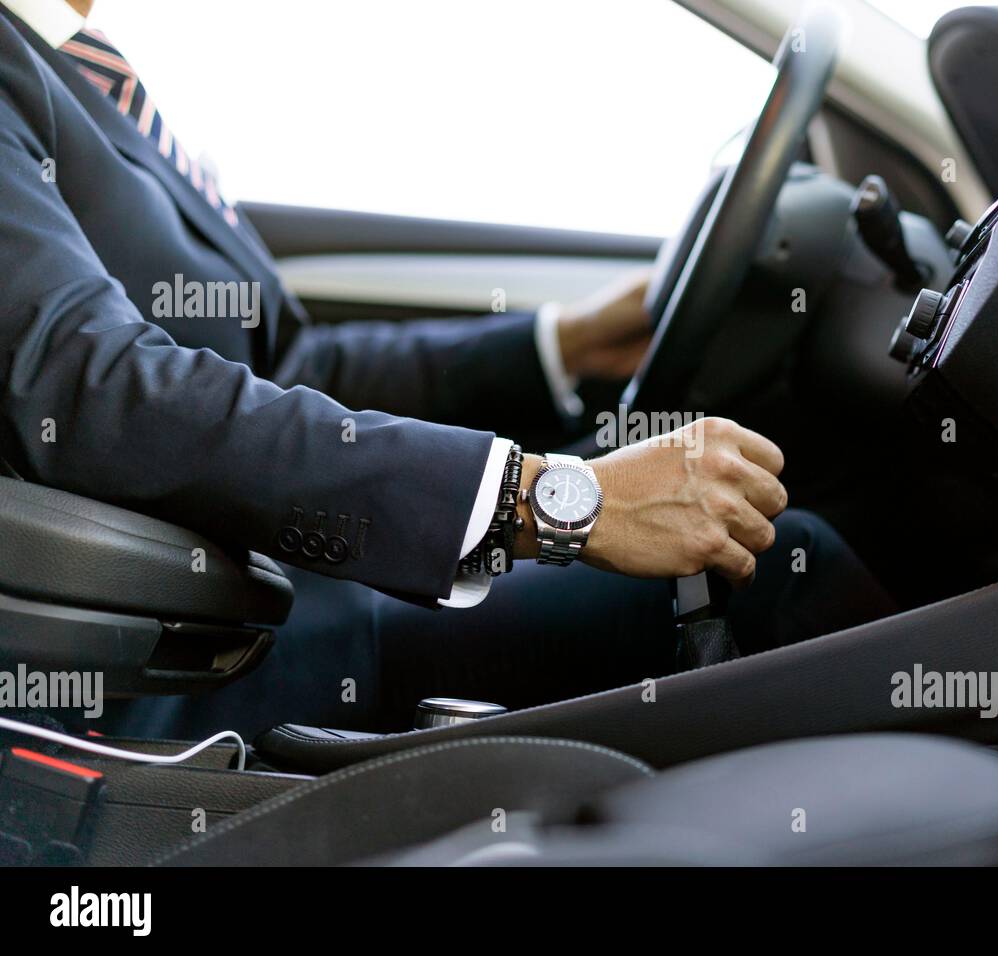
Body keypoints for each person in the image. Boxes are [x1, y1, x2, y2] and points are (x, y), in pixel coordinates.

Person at [0, 0, 893, 737]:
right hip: (199, 656)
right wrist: (547, 502)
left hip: (281, 581)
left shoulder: (75, 62)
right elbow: (92, 389)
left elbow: (292, 363)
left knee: (765, 505)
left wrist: (565, 342)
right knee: (778, 563)